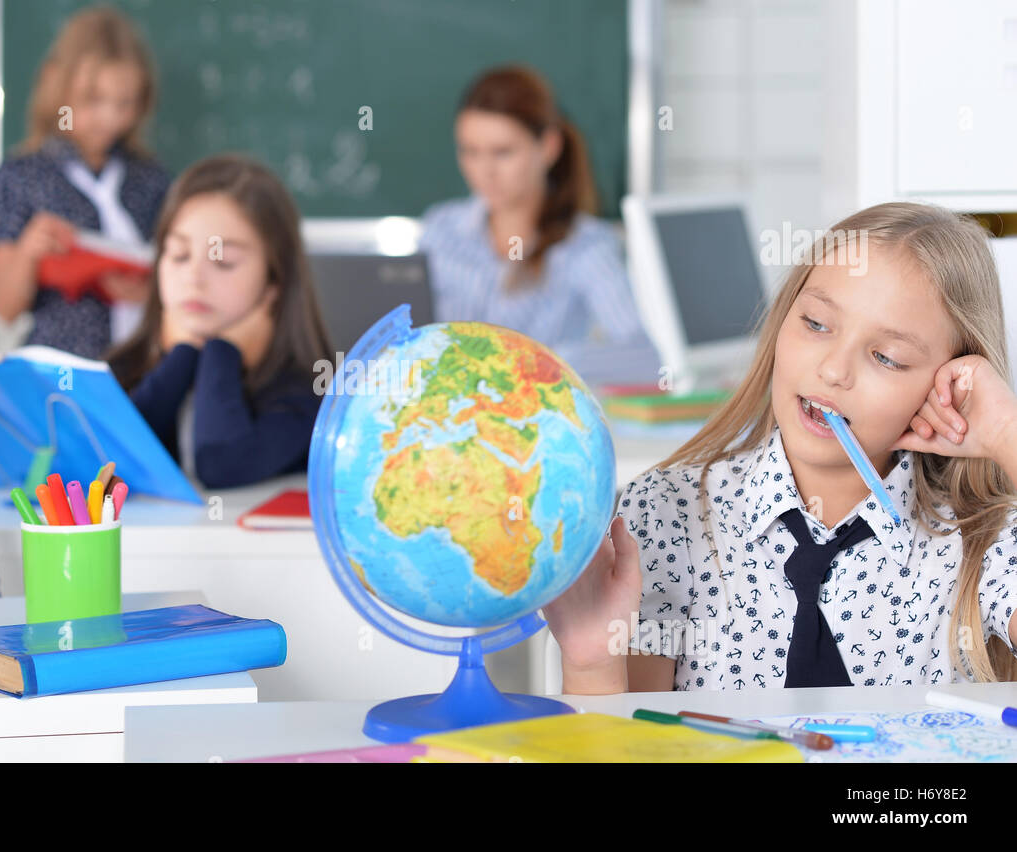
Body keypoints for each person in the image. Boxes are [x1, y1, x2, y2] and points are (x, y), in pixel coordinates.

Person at [545, 202, 1017, 692]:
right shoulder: (667, 512)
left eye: (886, 357)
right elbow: (629, 749)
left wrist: (1006, 431)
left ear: (951, 382)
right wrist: (590, 663)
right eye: (815, 324)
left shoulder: (982, 539)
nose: (834, 370)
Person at [419, 65, 662, 388]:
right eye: (470, 152)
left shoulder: (585, 244)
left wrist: (541, 360)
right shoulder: (440, 230)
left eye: (502, 152)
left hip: (534, 422)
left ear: (548, 147)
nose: (484, 171)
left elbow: (645, 356)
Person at [107, 154, 333, 490]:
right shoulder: (122, 367)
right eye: (179, 256)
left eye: (224, 262)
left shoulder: (308, 391)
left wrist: (222, 350)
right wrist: (182, 355)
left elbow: (223, 465)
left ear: (275, 280)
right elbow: (112, 459)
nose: (194, 279)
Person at [0, 5, 170, 359]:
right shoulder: (20, 177)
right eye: (94, 100)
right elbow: (4, 308)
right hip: (60, 373)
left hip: (142, 372)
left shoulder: (152, 180)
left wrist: (150, 295)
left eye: (125, 103)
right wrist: (29, 252)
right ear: (58, 85)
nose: (110, 118)